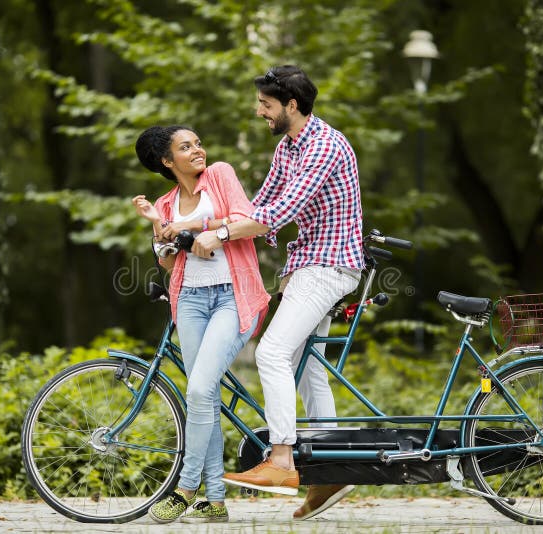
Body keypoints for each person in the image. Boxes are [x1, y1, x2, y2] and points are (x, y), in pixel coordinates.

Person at [192, 65, 364, 520]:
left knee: (271, 354)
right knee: (310, 371)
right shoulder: (289, 148)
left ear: (291, 105)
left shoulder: (324, 145)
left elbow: (278, 214)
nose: (259, 111)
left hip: (328, 267)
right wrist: (196, 225)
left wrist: (222, 236)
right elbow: (256, 207)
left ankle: (282, 460)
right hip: (309, 266)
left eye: (266, 104)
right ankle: (333, 470)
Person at [132, 125, 270, 524]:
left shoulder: (221, 175)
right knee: (203, 396)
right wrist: (159, 222)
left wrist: (194, 228)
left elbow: (249, 220)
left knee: (198, 387)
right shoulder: (166, 201)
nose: (198, 151)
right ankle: (215, 501)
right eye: (185, 147)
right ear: (166, 160)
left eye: (197, 143)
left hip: (233, 297)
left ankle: (185, 489)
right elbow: (170, 260)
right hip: (189, 301)